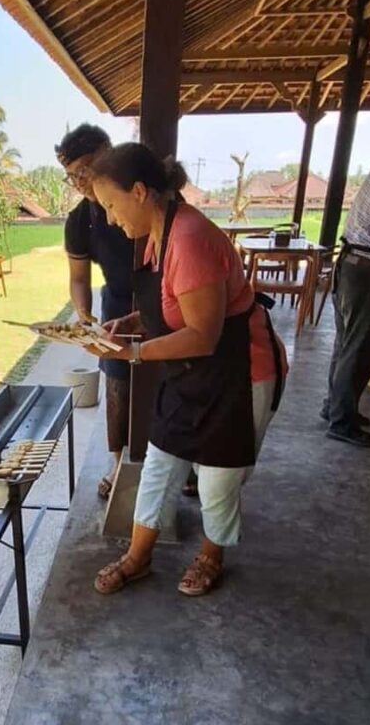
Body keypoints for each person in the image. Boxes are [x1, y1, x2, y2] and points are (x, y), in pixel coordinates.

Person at [85, 143, 286, 597]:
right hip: (191, 375)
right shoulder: (159, 235)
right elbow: (170, 305)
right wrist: (132, 323)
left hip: (237, 376)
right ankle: (138, 557)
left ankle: (211, 558)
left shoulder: (190, 238)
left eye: (112, 206)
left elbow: (202, 334)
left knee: (217, 479)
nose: (113, 219)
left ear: (139, 192)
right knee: (160, 464)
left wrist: (133, 354)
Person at [55, 124, 134, 500]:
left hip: (161, 297)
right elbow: (78, 278)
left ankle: (178, 461)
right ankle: (118, 459)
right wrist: (84, 315)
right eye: (72, 177)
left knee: (168, 379)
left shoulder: (138, 193)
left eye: (84, 170)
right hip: (117, 300)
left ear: (108, 151)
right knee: (117, 381)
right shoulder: (79, 220)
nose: (80, 182)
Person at [321, 149, 370, 448]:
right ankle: (342, 421)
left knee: (346, 346)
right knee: (359, 350)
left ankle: (336, 408)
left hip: (355, 264)